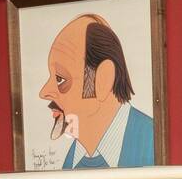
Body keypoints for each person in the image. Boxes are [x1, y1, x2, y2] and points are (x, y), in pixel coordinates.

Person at [40, 15, 154, 170]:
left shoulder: (152, 143)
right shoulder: (71, 162)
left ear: (103, 79)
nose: (44, 92)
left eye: (60, 79)